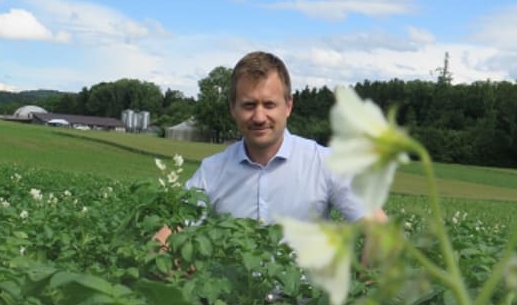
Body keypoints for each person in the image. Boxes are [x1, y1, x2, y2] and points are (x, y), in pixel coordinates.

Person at [154, 50, 385, 248]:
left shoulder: (324, 163)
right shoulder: (212, 171)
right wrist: (170, 257)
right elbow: (168, 235)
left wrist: (366, 286)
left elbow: (382, 232)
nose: (259, 117)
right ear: (232, 109)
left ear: (288, 106)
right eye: (249, 105)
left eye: (269, 104)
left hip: (307, 301)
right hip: (233, 300)